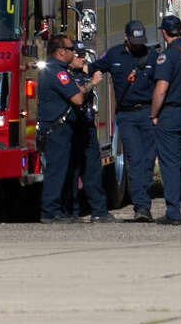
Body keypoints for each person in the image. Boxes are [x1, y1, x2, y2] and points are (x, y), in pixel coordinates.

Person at [37, 36, 108, 223]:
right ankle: (50, 211)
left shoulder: (57, 70)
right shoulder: (57, 72)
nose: (74, 53)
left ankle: (57, 210)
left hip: (60, 128)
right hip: (57, 128)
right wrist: (91, 84)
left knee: (63, 170)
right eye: (70, 49)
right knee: (57, 171)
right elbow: (77, 98)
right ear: (61, 51)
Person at [92, 19, 158, 221]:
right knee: (135, 159)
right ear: (126, 37)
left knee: (147, 161)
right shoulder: (113, 55)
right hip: (127, 116)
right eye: (134, 40)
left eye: (141, 41)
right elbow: (93, 68)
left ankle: (143, 202)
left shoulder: (153, 56)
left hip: (148, 114)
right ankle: (142, 207)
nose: (138, 45)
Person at [148, 13, 181, 225]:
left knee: (170, 163)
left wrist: (153, 114)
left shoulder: (166, 57)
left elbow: (161, 90)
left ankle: (173, 212)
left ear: (163, 32)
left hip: (171, 113)